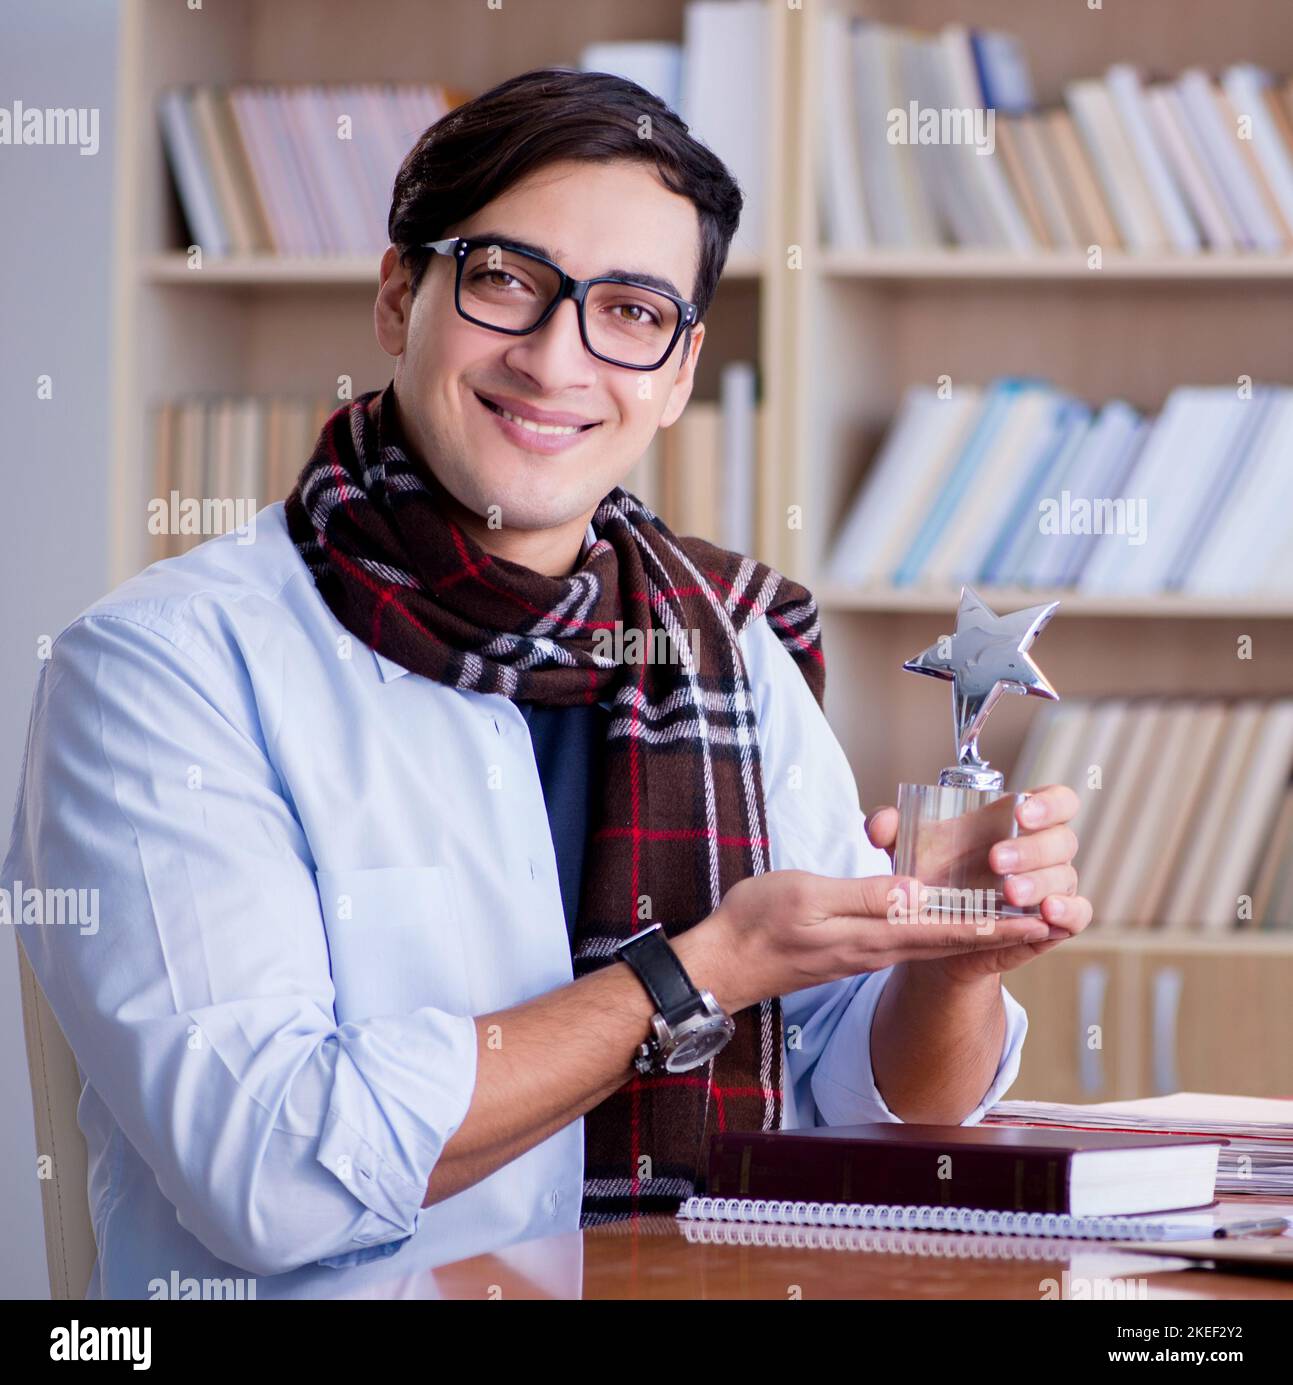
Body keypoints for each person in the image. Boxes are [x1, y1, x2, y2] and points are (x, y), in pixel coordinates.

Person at [4, 68, 1089, 1298]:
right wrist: (695, 974)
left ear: (677, 374)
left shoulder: (732, 651)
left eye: (631, 313)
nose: (557, 358)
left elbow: (861, 1121)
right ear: (399, 293)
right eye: (507, 279)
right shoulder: (162, 668)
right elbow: (272, 1173)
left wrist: (943, 967)